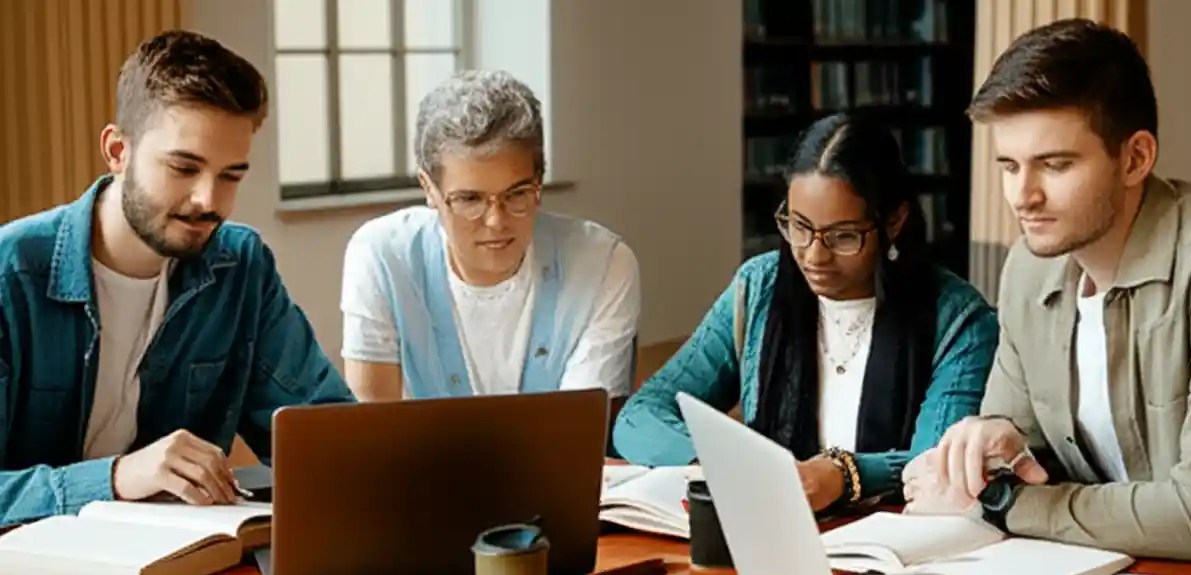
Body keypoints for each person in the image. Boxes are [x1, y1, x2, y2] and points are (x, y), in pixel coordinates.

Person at [898, 19, 1191, 575]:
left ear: (1135, 158)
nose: (1023, 196)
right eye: (1009, 166)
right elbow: (1011, 436)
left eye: (1055, 164)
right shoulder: (1027, 269)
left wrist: (1011, 502)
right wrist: (985, 449)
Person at [0, 31, 351, 526]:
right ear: (117, 150)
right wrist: (116, 477)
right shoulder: (10, 274)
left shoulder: (241, 267)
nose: (209, 200)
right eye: (184, 168)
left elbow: (326, 436)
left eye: (231, 175)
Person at [613, 113, 998, 513]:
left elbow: (937, 466)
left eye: (843, 236)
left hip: (895, 546)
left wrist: (842, 475)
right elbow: (641, 415)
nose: (814, 256)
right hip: (770, 532)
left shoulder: (958, 321)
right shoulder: (759, 288)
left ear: (894, 222)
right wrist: (729, 465)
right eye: (799, 227)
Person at [340, 70, 640, 402]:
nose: (496, 221)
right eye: (469, 199)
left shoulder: (603, 263)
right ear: (429, 188)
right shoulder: (381, 256)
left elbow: (581, 430)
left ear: (539, 179)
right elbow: (371, 429)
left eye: (517, 194)